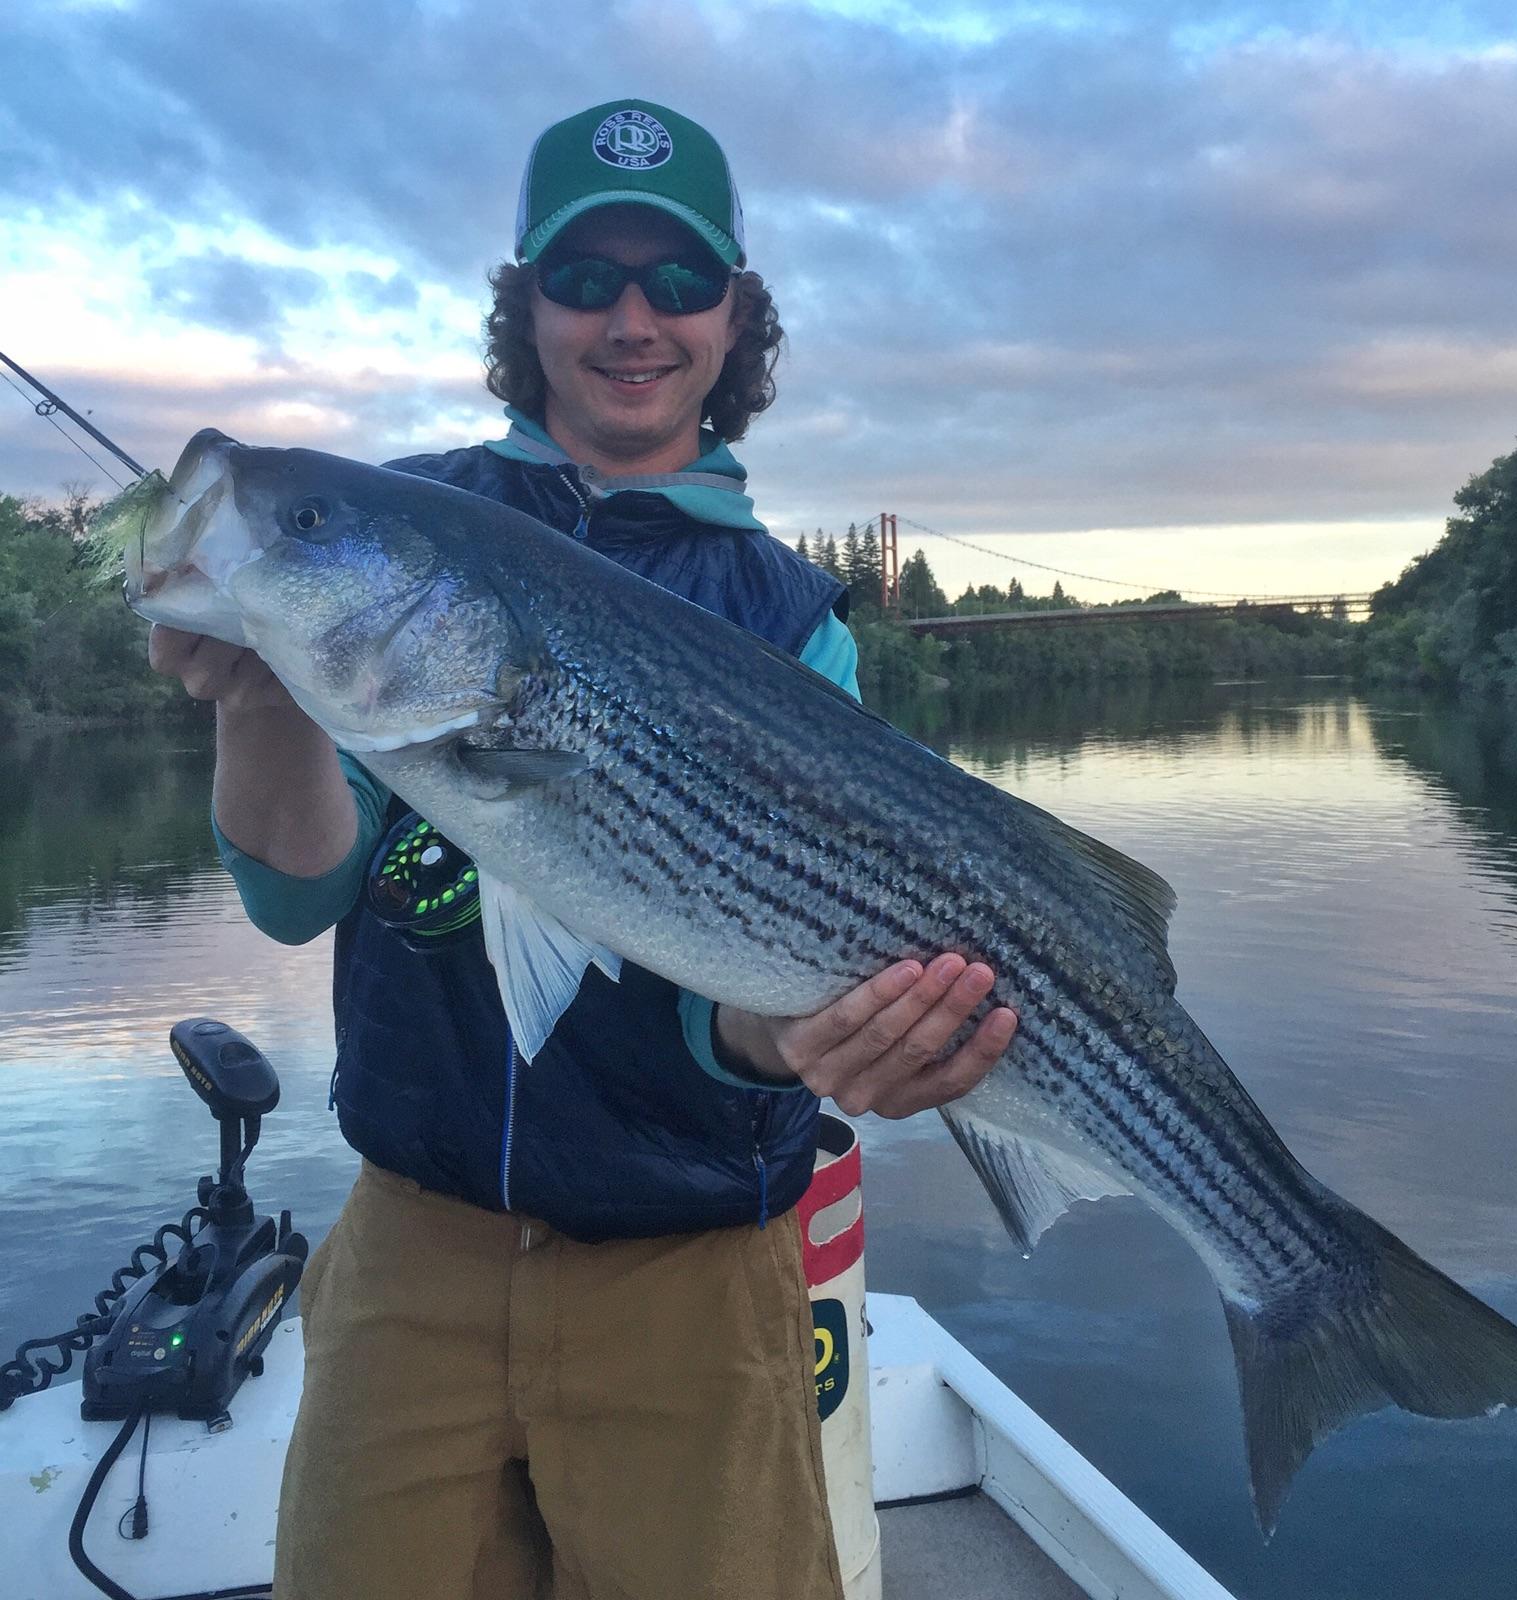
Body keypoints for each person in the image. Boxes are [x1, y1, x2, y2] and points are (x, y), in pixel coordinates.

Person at [150, 99, 1018, 1600]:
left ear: (734, 318)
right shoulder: (417, 533)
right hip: (412, 1254)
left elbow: (738, 1000)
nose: (633, 319)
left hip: (692, 1271)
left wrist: (817, 1041)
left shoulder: (789, 612)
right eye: (587, 278)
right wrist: (263, 696)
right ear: (526, 305)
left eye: (679, 283)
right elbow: (299, 896)